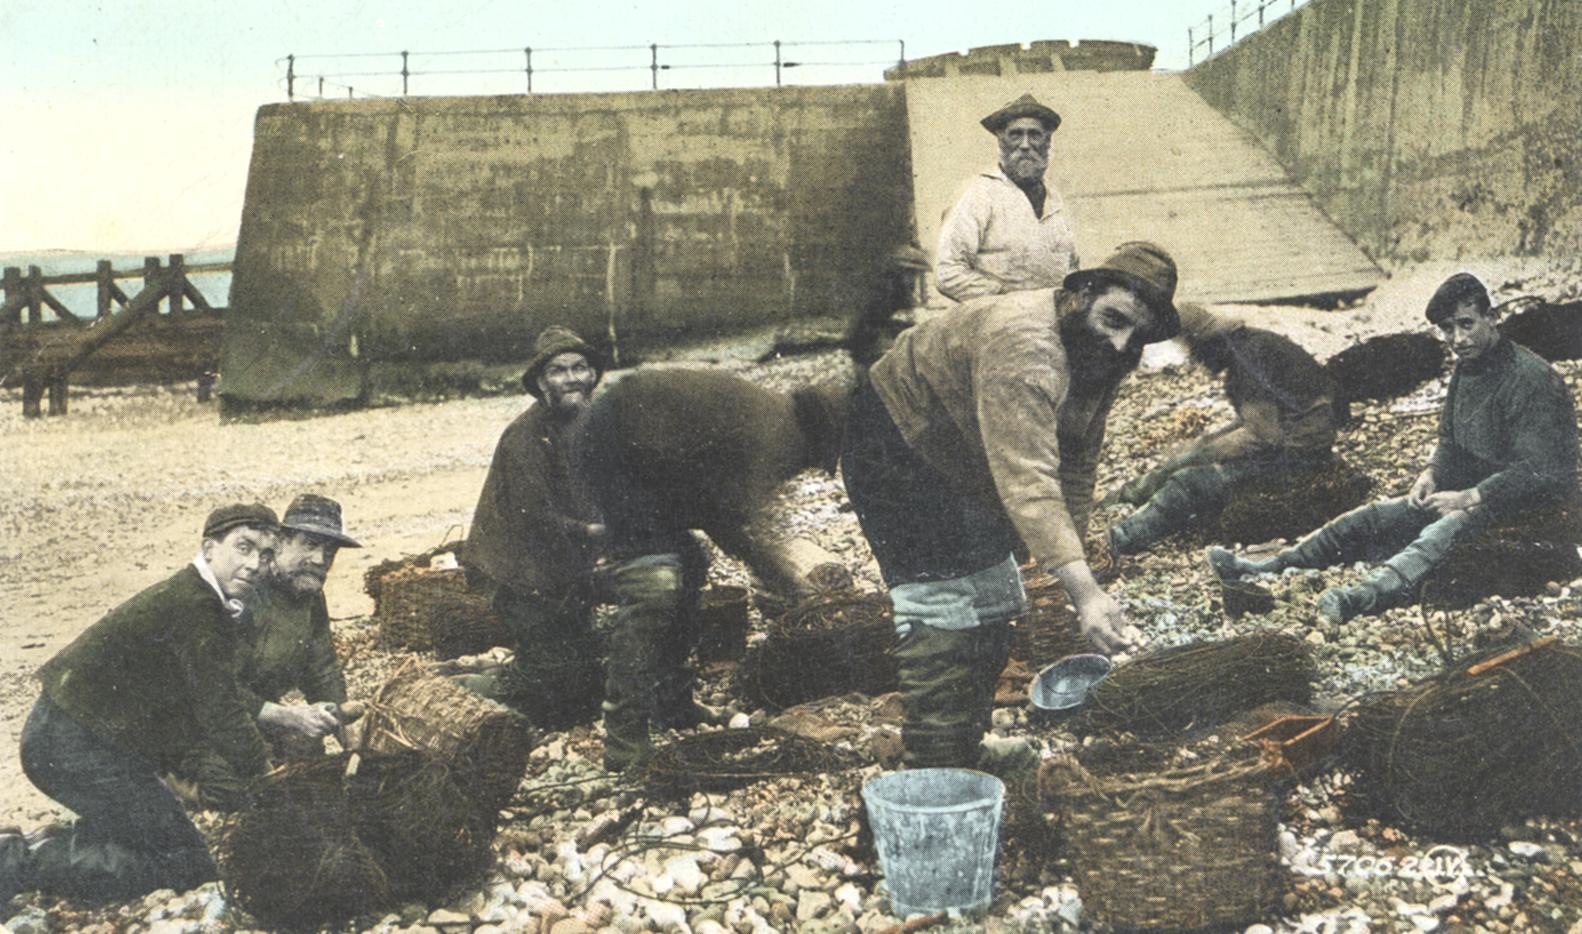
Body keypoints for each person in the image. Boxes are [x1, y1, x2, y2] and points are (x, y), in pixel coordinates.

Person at [842, 242, 1182, 771]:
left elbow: (1075, 463)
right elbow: (1029, 480)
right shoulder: (1026, 345)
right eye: (1113, 319)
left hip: (963, 450)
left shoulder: (1104, 353)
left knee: (997, 595)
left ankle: (963, 743)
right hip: (895, 443)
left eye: (1135, 334)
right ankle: (935, 764)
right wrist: (1086, 594)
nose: (1120, 343)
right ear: (1082, 293)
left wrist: (1070, 561)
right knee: (942, 601)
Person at [1208, 273, 1579, 622]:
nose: (1458, 338)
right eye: (1448, 328)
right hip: (1473, 491)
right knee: (1372, 516)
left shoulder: (1532, 378)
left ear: (1491, 318)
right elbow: (1450, 441)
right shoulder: (1466, 369)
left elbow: (1541, 471)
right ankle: (1266, 566)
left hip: (1528, 504)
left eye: (1466, 324)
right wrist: (1431, 474)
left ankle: (1362, 597)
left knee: (1441, 533)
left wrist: (1471, 496)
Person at [573, 368, 849, 771]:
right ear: (819, 442)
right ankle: (624, 738)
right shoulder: (778, 438)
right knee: (655, 581)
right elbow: (730, 523)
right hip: (616, 442)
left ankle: (673, 703)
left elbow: (718, 509)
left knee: (690, 563)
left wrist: (775, 570)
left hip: (653, 455)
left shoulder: (776, 419)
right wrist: (792, 587)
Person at [2, 505, 280, 903]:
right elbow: (221, 711)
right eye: (244, 547)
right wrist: (266, 780)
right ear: (209, 548)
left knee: (159, 839)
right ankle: (16, 862)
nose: (255, 564)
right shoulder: (196, 606)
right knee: (185, 865)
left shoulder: (197, 597)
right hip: (70, 747)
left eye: (266, 554)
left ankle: (34, 845)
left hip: (76, 739)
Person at [460, 326, 611, 728]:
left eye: (581, 368)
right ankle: (457, 690)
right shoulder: (525, 437)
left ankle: (529, 667)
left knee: (585, 689)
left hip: (558, 565)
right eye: (559, 371)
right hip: (515, 573)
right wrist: (596, 535)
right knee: (549, 694)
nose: (573, 379)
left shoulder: (588, 421)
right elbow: (536, 521)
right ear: (542, 382)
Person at [1105, 304, 1339, 554]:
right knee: (1192, 455)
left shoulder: (1248, 362)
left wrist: (1205, 453)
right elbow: (1257, 421)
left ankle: (1119, 541)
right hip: (1295, 443)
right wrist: (1203, 446)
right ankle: (1124, 497)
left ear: (1207, 342)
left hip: (1300, 458)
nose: (1195, 359)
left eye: (1193, 349)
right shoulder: (1251, 345)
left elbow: (1263, 435)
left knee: (1189, 482)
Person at [934, 93, 1078, 302]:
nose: (1025, 145)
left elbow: (1071, 267)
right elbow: (947, 273)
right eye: (1016, 135)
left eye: (1035, 135)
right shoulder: (979, 194)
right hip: (996, 320)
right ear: (1001, 141)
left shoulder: (1055, 200)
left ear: (1048, 142)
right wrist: (1006, 299)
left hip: (1049, 320)